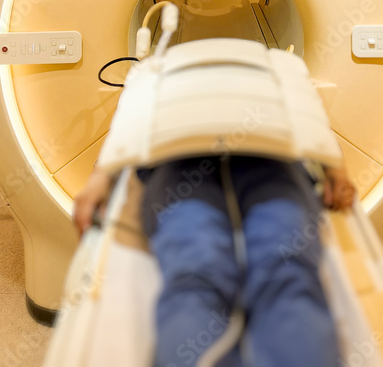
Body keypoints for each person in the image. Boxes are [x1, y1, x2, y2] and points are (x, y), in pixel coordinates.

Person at [73, 150, 355, 367]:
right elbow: (131, 115)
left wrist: (335, 168)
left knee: (286, 268)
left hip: (273, 158)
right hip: (177, 160)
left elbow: (307, 111)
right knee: (197, 270)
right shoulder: (147, 86)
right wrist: (101, 176)